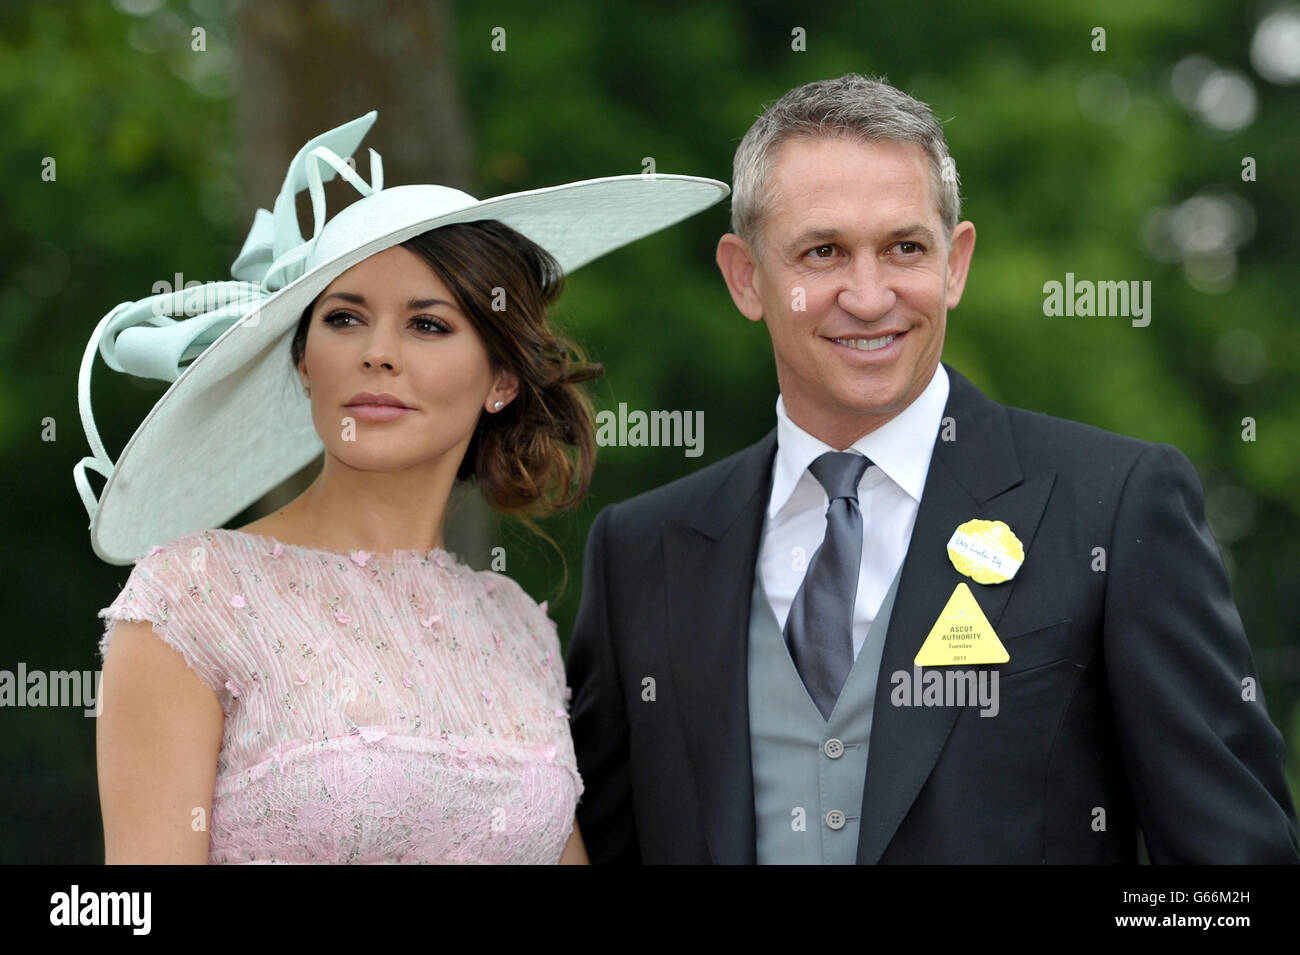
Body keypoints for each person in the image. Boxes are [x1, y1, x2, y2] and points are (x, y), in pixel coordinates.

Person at [565, 74, 1300, 863]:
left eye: (904, 248)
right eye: (824, 251)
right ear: (747, 277)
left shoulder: (1116, 506)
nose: (870, 295)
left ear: (956, 262)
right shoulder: (642, 551)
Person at [78, 111, 727, 863]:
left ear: (503, 379)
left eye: (427, 325)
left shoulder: (518, 627)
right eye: (345, 317)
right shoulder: (188, 597)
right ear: (302, 362)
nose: (378, 353)